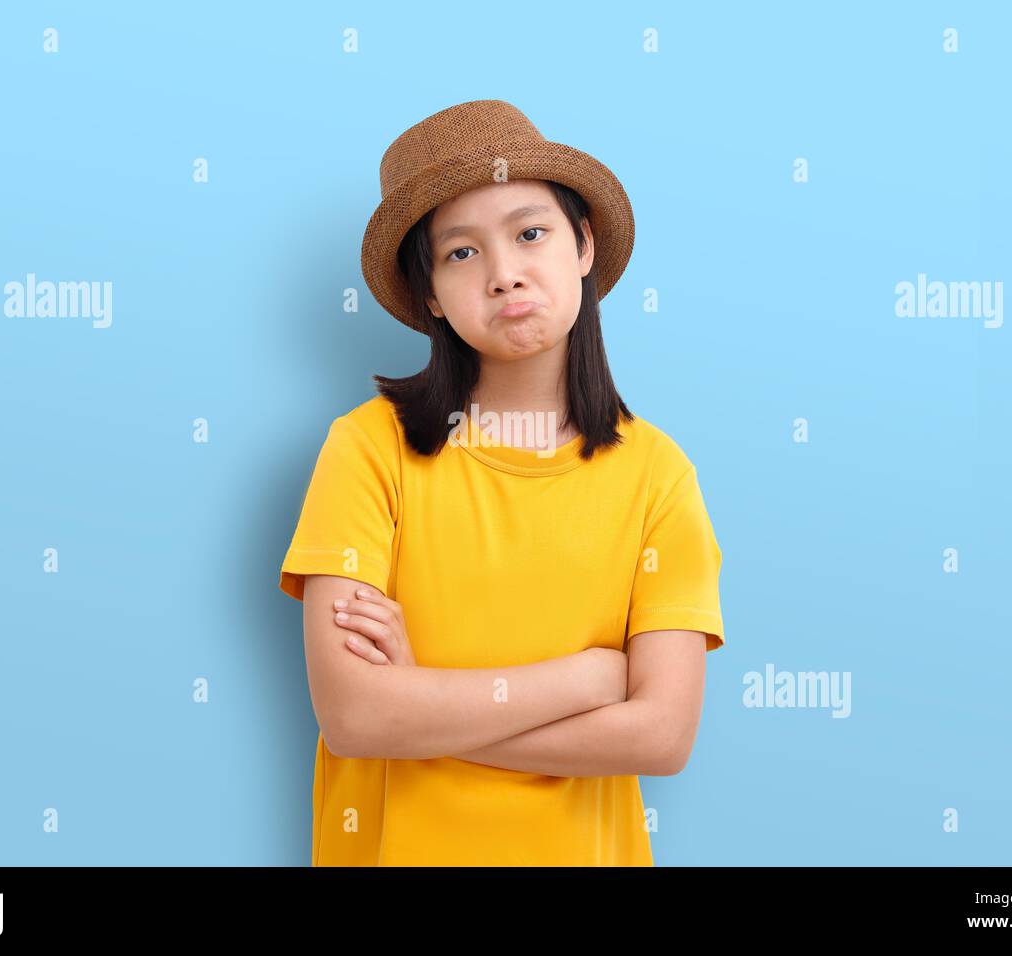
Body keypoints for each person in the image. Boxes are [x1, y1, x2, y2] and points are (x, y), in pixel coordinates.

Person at [278, 100, 726, 866]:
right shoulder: (366, 451)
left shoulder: (658, 476)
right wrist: (591, 678)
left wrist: (425, 707)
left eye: (529, 233)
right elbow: (354, 718)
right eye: (460, 253)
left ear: (582, 245)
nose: (504, 274)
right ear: (428, 296)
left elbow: (662, 736)